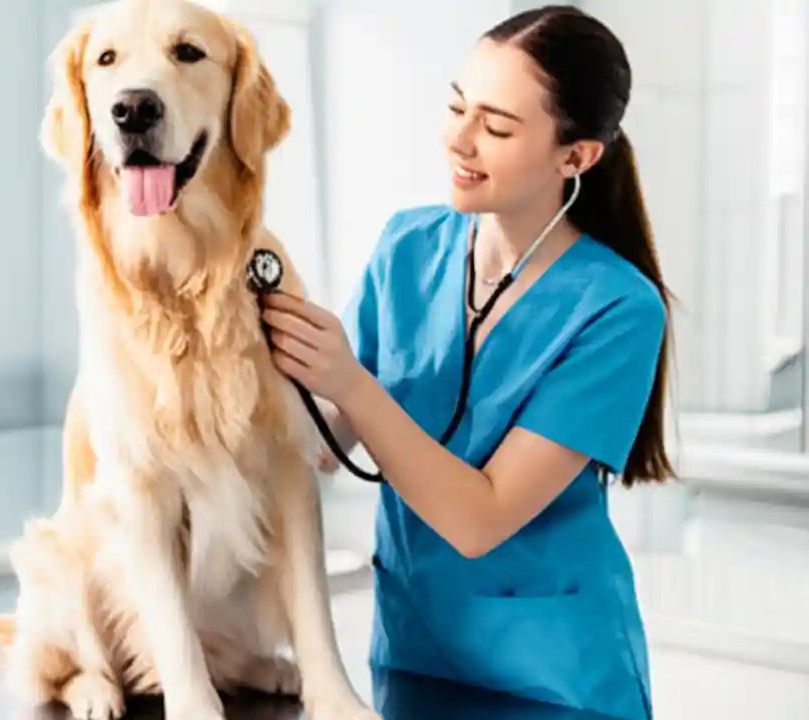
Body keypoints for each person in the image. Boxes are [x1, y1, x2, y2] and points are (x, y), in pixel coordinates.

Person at [260, 6, 671, 720]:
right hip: (415, 654)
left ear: (575, 157)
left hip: (554, 682)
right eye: (456, 106)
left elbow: (481, 519)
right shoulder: (407, 247)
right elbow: (328, 445)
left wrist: (350, 382)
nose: (459, 138)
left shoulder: (618, 309)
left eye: (498, 126)